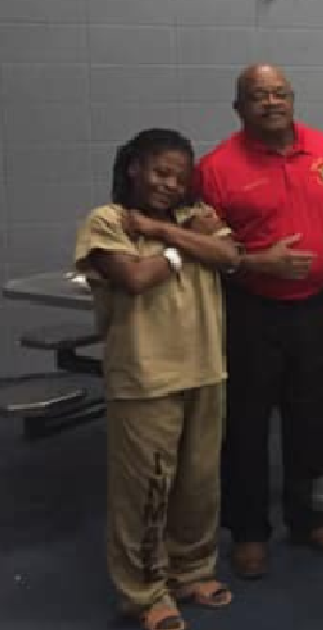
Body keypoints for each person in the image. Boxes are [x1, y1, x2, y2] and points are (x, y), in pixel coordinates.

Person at [196, 64, 323, 580]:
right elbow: (206, 251)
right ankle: (248, 531)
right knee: (245, 424)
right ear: (239, 108)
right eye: (257, 95)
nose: (270, 102)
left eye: (279, 93)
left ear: (292, 98)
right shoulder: (216, 168)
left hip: (316, 305)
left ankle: (309, 518)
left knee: (314, 418)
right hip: (250, 309)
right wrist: (256, 262)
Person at [76, 129, 241, 630]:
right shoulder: (109, 221)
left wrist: (166, 234)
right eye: (160, 172)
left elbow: (230, 256)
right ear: (135, 168)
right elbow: (134, 277)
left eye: (180, 177)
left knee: (199, 482)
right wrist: (185, 245)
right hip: (146, 377)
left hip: (205, 369)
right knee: (146, 492)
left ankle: (192, 571)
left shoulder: (194, 216)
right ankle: (144, 593)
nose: (170, 184)